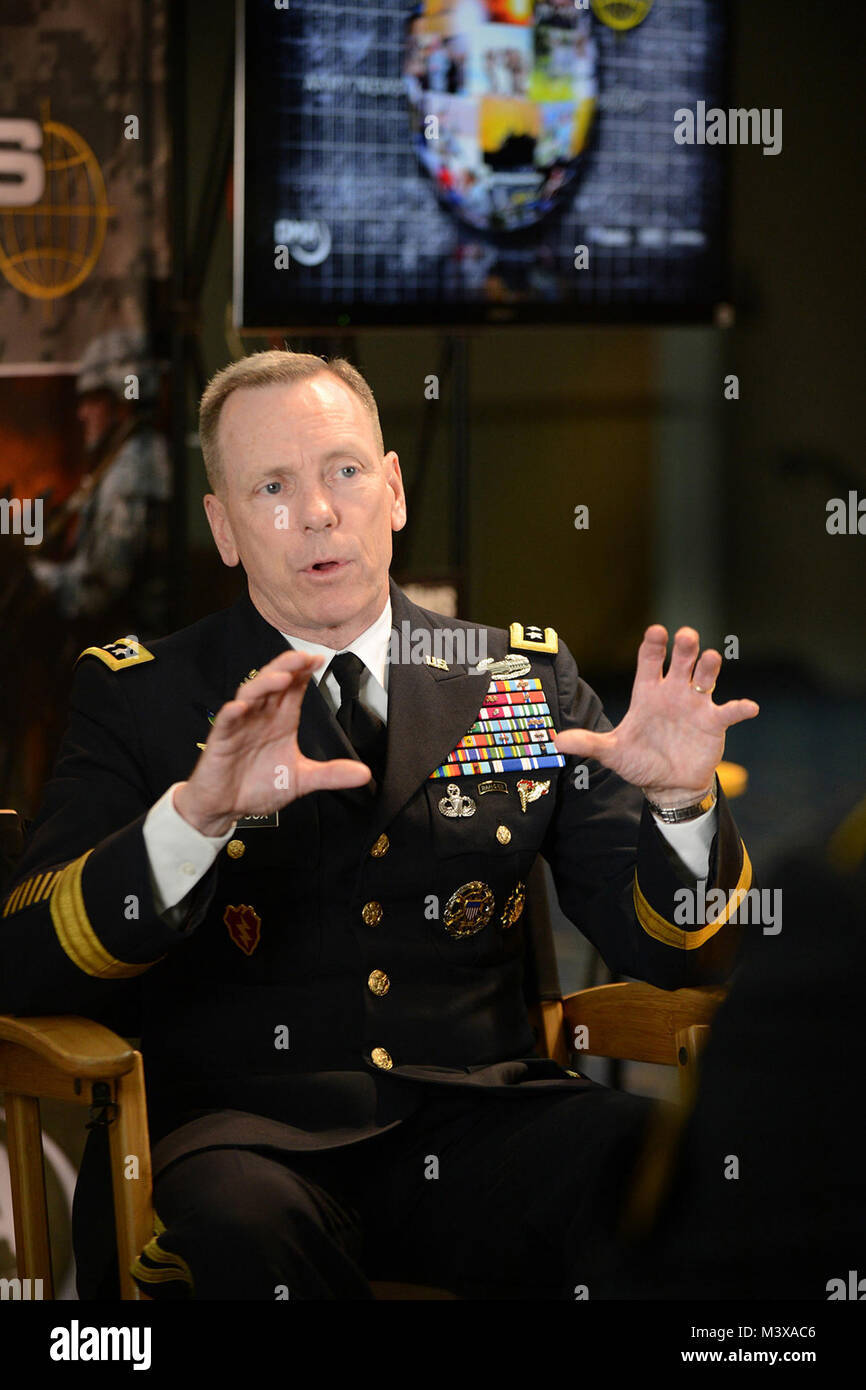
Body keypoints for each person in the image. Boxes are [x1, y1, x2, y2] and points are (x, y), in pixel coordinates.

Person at [0, 350, 758, 1300]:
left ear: (394, 490)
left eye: (345, 471)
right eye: (272, 486)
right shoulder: (142, 696)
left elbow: (680, 951)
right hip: (244, 1145)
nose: (318, 510)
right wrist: (191, 822)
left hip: (480, 1124)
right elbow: (26, 957)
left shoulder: (518, 679)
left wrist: (682, 805)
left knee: (652, 1171)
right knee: (239, 1235)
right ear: (224, 528)